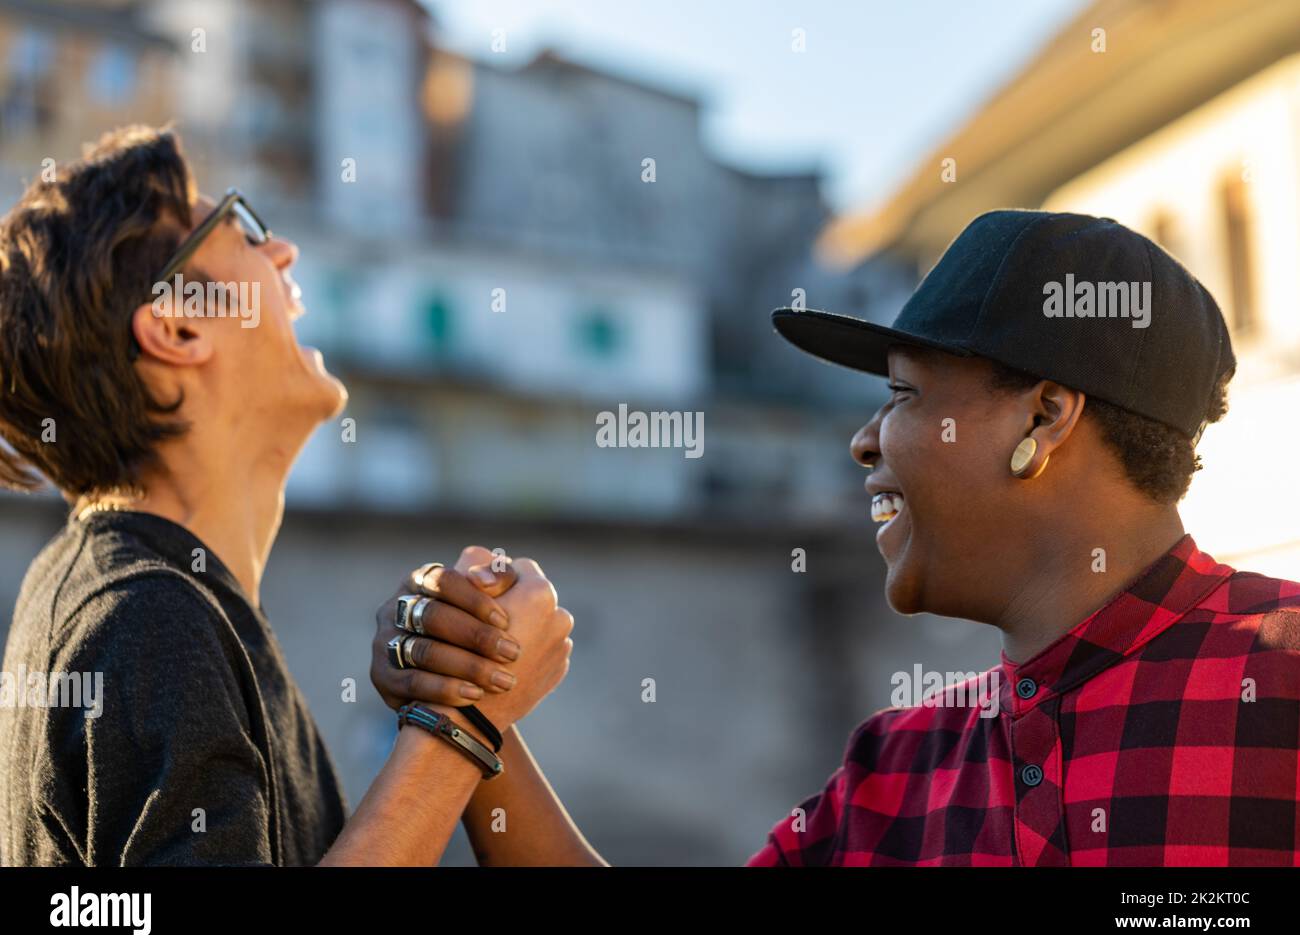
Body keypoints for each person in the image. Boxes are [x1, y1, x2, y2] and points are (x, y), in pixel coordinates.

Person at [381, 210, 1300, 865]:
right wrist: (469, 706)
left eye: (903, 396)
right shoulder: (894, 771)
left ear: (1047, 416)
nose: (864, 439)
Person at [0, 126, 594, 866]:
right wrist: (465, 722)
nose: (282, 250)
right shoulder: (148, 618)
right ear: (178, 328)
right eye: (241, 228)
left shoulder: (150, 600)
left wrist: (457, 696)